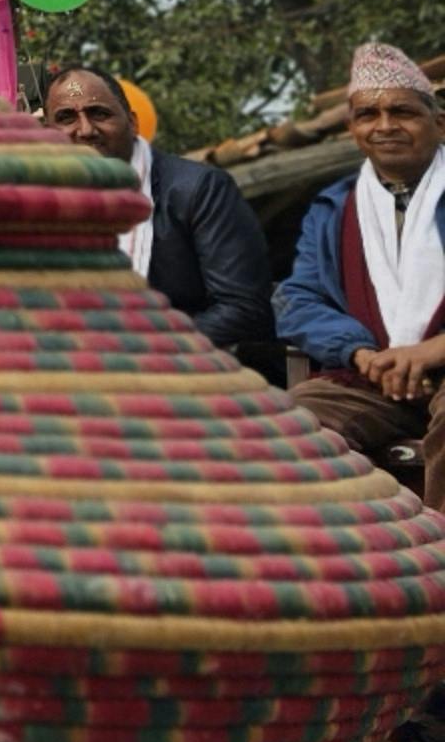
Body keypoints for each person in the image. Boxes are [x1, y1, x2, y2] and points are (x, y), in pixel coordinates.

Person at [277, 43, 445, 504]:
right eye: (368, 115)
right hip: (370, 376)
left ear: (439, 123)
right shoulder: (333, 208)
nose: (385, 126)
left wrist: (430, 351)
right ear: (353, 129)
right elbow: (298, 299)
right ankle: (340, 547)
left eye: (403, 112)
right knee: (289, 424)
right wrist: (360, 353)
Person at [44, 64, 273, 376]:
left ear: (133, 123)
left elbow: (245, 311)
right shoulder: (44, 208)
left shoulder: (199, 190)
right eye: (66, 118)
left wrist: (140, 350)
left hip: (193, 374)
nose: (85, 130)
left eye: (99, 113)